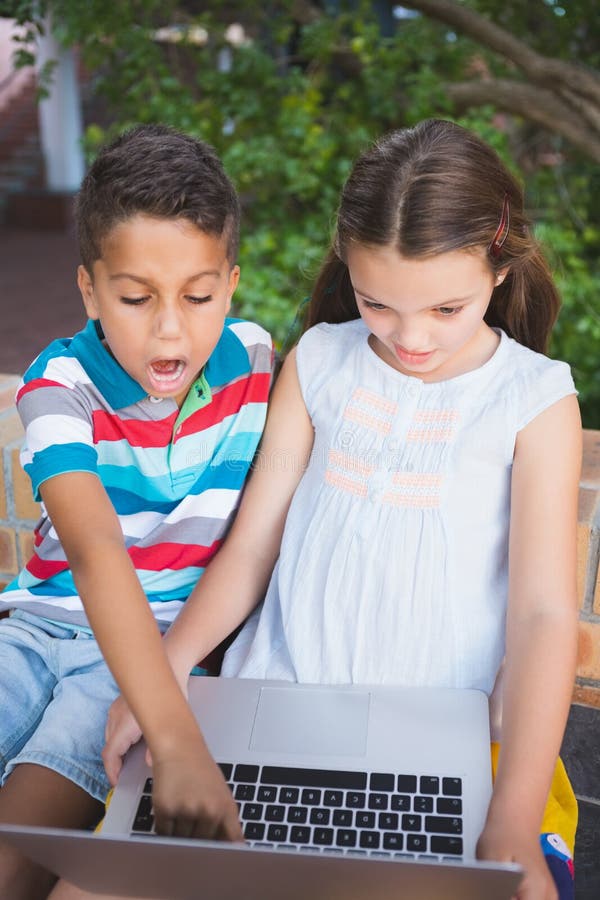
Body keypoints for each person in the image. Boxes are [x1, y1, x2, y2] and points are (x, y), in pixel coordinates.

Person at [72, 118, 581, 900]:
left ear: (500, 266)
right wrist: (163, 677)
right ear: (347, 260)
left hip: (439, 737)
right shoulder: (319, 361)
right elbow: (252, 549)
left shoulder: (534, 400)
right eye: (378, 303)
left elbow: (544, 614)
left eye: (447, 309)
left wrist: (513, 813)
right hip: (270, 705)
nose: (411, 338)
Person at [0, 123, 272, 899]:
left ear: (231, 284)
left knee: (12, 863)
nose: (169, 328)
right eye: (134, 298)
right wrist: (177, 743)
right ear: (89, 290)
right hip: (32, 631)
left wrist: (163, 715)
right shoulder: (59, 388)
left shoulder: (256, 363)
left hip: (136, 661)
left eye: (198, 296)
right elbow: (95, 555)